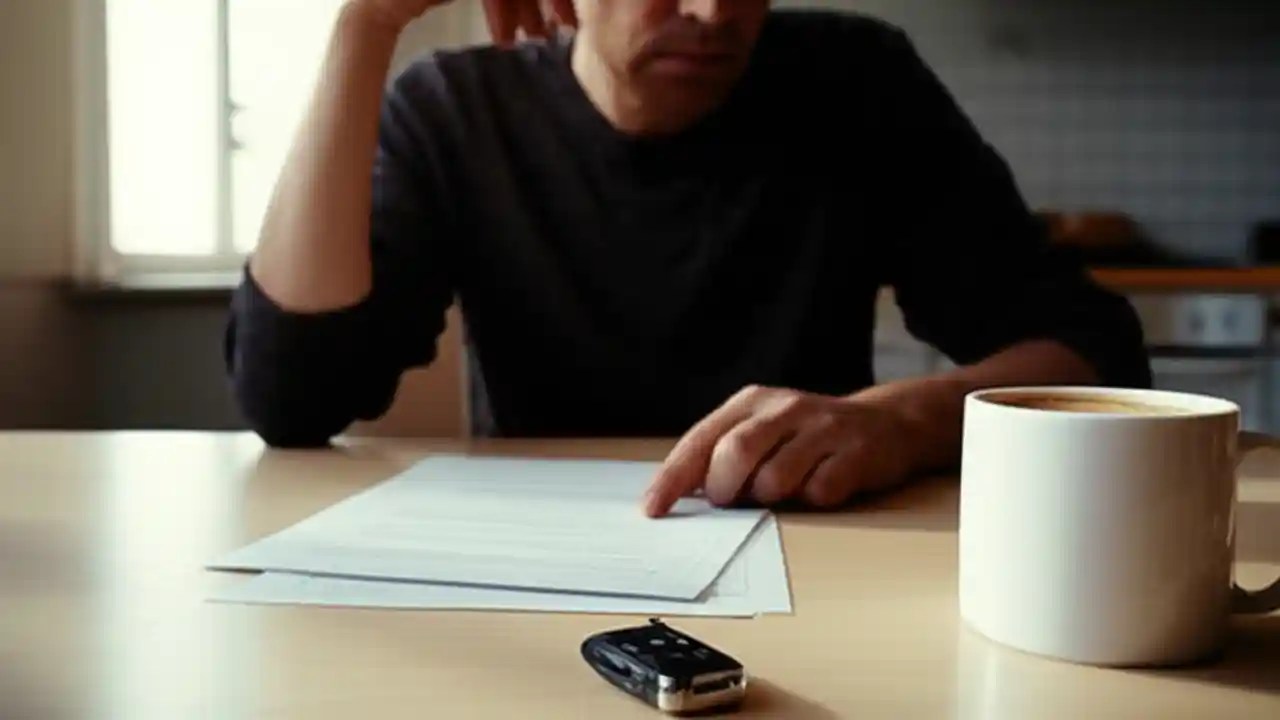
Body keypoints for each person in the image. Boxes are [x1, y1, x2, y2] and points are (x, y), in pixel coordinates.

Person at [224, 0, 1151, 518]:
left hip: (825, 552)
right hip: (537, 573)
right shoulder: (457, 111)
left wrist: (901, 422)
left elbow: (1095, 354)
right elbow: (292, 400)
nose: (714, 11)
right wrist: (365, 25)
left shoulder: (856, 82)